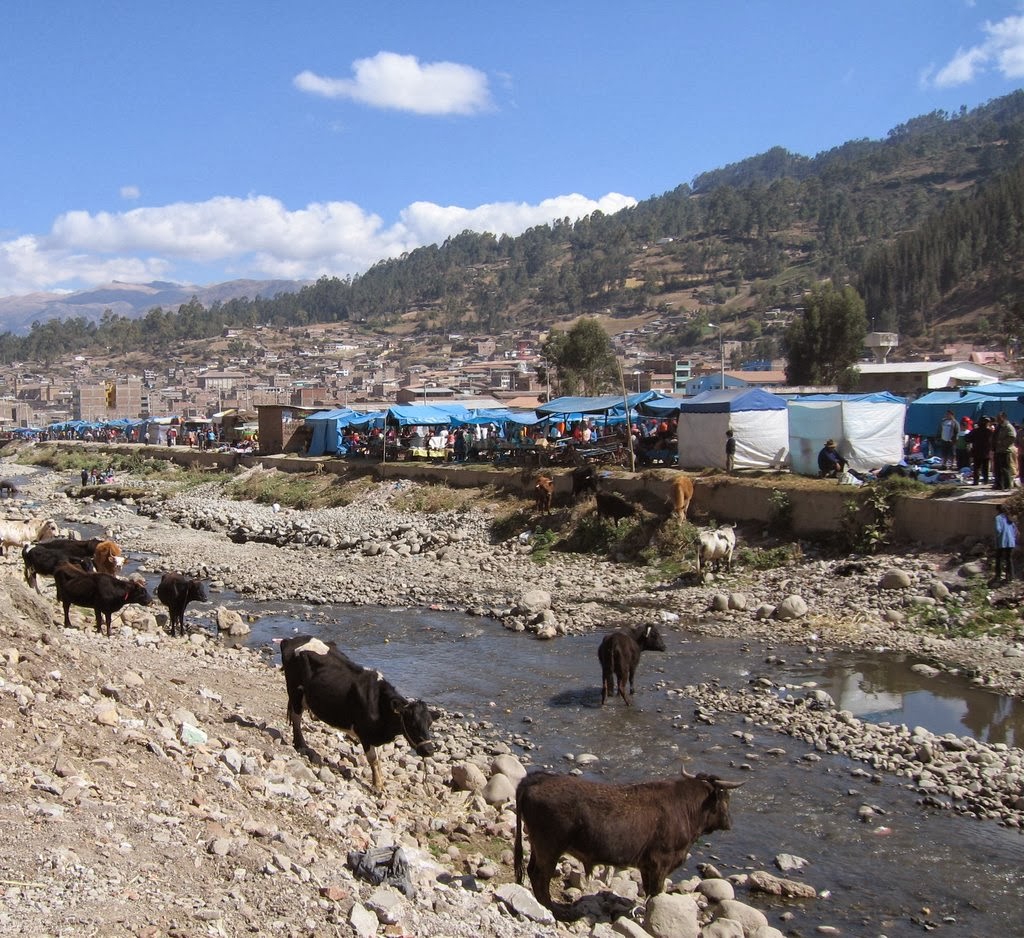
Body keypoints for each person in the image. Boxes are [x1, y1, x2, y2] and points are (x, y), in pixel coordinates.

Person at [992, 504, 1018, 584]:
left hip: (1002, 542)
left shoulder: (998, 518)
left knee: (998, 559)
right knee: (1009, 559)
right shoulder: (1009, 518)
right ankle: (1010, 576)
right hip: (1010, 542)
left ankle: (998, 576)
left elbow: (998, 530)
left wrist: (996, 538)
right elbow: (1015, 530)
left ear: (998, 510)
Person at [993, 412, 1017, 490]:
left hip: (1005, 450)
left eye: (999, 418)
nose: (997, 419)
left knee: (1005, 468)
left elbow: (1012, 437)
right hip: (997, 450)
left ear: (1003, 418)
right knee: (997, 469)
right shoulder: (998, 427)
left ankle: (1007, 486)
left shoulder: (1008, 427)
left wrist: (1002, 443)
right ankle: (999, 485)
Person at [968, 416, 993, 485]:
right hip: (986, 451)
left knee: (976, 467)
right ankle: (985, 481)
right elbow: (993, 441)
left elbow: (967, 438)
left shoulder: (975, 431)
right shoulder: (989, 431)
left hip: (977, 451)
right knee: (985, 467)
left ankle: (976, 481)